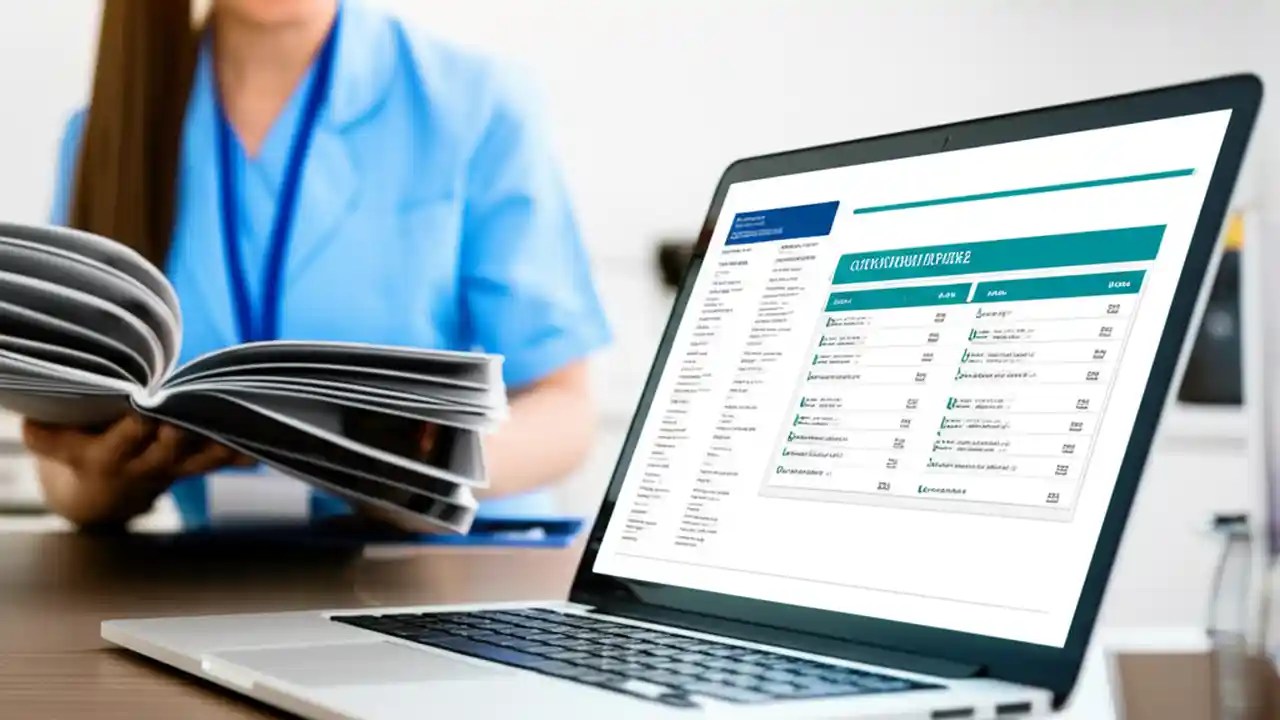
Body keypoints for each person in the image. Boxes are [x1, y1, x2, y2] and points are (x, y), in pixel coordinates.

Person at [23, 0, 609, 529]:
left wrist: (428, 476)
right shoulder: (108, 133)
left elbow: (564, 407)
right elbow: (69, 470)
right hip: (220, 577)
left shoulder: (473, 104)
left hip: (451, 566)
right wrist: (102, 484)